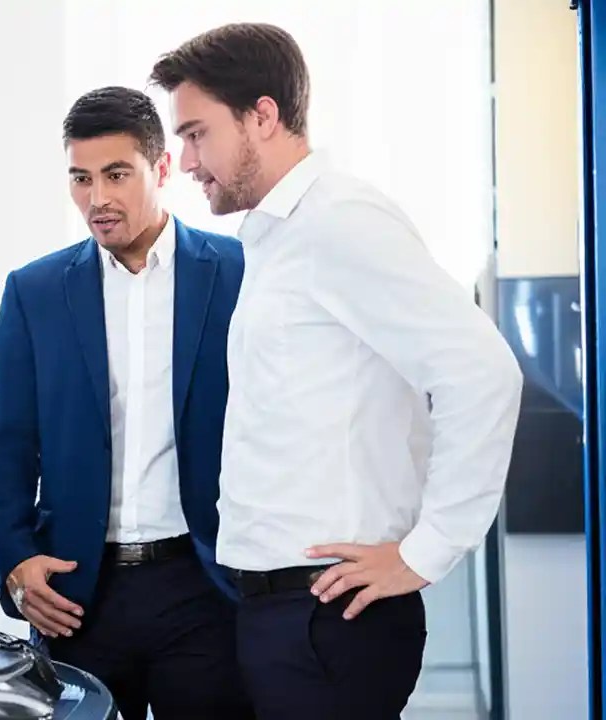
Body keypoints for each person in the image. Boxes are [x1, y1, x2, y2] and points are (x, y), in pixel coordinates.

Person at [150, 23, 524, 719]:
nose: (186, 159)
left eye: (197, 134)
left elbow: (483, 373)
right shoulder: (274, 237)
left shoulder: (339, 222)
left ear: (262, 116)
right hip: (282, 613)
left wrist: (426, 551)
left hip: (327, 615)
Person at [0, 86, 253, 720]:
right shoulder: (34, 291)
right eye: (80, 178)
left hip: (204, 584)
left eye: (115, 175)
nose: (96, 199)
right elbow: (5, 448)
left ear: (159, 169)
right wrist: (15, 561)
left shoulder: (241, 272)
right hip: (77, 592)